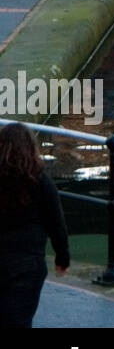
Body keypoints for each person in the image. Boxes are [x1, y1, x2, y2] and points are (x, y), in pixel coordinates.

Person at [0, 123, 70, 328]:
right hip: (27, 265)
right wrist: (62, 257)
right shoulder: (41, 181)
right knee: (19, 320)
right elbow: (56, 224)